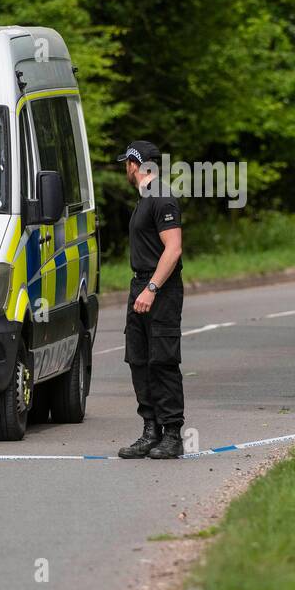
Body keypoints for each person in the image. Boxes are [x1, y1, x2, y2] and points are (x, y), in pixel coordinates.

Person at [116, 140, 186, 460]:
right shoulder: (144, 198)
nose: (125, 170)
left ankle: (172, 434)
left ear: (136, 164)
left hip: (160, 290)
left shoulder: (161, 196)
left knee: (163, 361)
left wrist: (152, 289)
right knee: (139, 360)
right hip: (139, 286)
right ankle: (150, 430)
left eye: (127, 164)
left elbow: (173, 249)